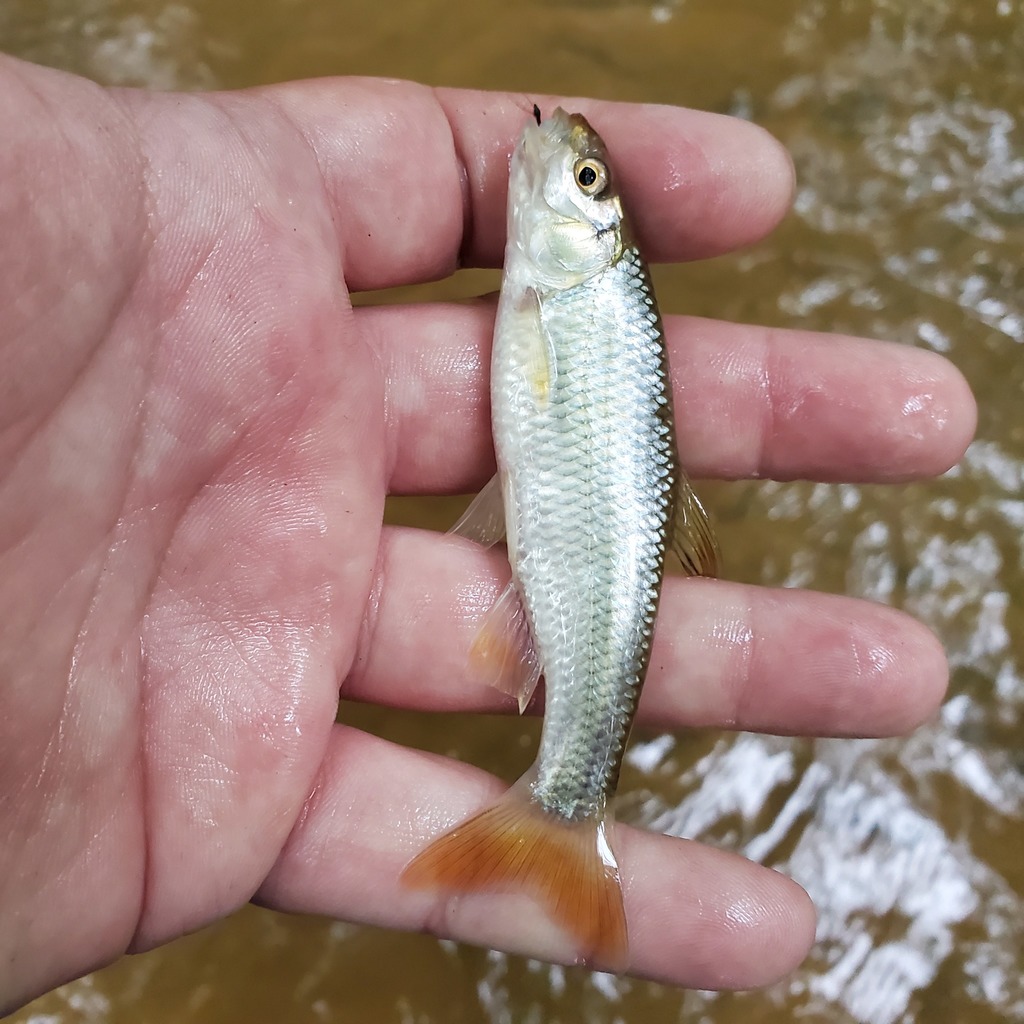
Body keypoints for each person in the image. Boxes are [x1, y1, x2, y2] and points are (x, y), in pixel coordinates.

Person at [0, 51, 976, 1014]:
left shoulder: (582, 297)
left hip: (585, 525)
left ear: (594, 239)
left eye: (583, 180)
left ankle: (566, 798)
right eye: (585, 177)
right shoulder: (574, 292)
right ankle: (560, 811)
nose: (561, 164)